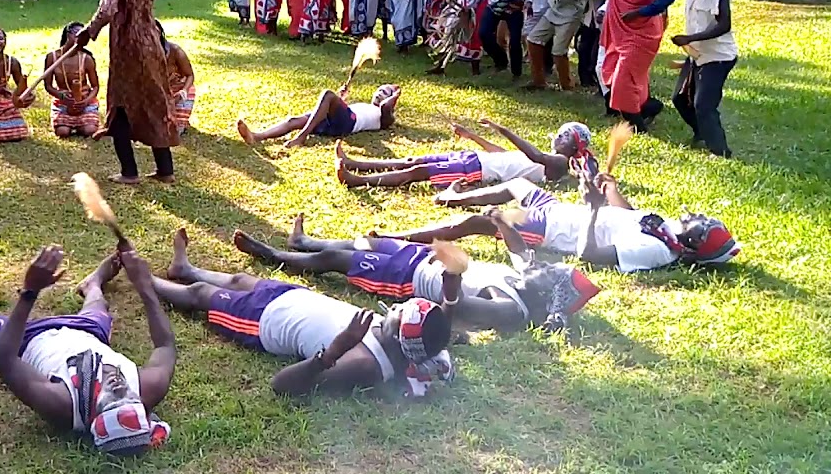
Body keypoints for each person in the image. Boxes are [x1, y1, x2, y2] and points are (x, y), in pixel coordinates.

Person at [0, 241, 175, 455]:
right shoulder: (148, 387)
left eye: (113, 402)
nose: (120, 388)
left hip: (27, 338)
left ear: (94, 417)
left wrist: (30, 292)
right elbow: (165, 345)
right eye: (129, 400)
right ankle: (93, 283)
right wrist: (144, 287)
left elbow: (4, 360)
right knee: (97, 305)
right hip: (87, 331)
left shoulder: (63, 405)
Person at [153, 229, 454, 397]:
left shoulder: (363, 363)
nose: (397, 306)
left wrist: (336, 349)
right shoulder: (416, 343)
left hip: (266, 322)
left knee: (200, 295)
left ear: (400, 336)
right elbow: (439, 335)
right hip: (294, 298)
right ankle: (185, 269)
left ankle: (148, 282)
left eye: (399, 313)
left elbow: (281, 386)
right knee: (239, 279)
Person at [235, 214, 600, 335]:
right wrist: (502, 221)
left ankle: (272, 254)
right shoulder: (524, 279)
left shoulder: (511, 307)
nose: (545, 265)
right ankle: (303, 240)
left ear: (546, 294)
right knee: (365, 243)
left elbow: (457, 310)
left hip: (409, 276)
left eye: (552, 272)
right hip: (424, 256)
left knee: (336, 259)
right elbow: (521, 250)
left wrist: (451, 282)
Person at [396, 173, 740, 273]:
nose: (700, 216)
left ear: (695, 243)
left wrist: (591, 209)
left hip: (553, 228)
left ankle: (399, 237)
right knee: (518, 185)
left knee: (476, 223)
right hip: (561, 210)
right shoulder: (665, 229)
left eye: (704, 223)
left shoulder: (658, 251)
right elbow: (629, 214)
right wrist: (610, 190)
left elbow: (589, 254)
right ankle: (451, 196)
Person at [75, 0, 178, 185]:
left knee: (120, 104)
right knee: (155, 99)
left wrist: (89, 31)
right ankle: (165, 169)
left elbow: (108, 9)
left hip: (127, 48)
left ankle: (129, 171)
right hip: (152, 42)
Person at [336, 119, 593, 191]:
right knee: (414, 161)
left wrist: (504, 129)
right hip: (475, 158)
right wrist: (472, 136)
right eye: (560, 133)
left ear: (574, 148)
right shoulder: (546, 157)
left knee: (418, 173)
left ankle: (357, 180)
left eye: (565, 136)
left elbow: (535, 156)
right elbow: (502, 154)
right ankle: (356, 163)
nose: (559, 137)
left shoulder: (559, 164)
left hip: (477, 171)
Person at [600, 0, 676, 131]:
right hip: (620, 31)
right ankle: (649, 107)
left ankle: (637, 127)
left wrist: (641, 12)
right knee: (612, 73)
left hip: (642, 33)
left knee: (623, 82)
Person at [671, 0, 737, 158]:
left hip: (717, 57)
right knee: (680, 99)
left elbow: (724, 25)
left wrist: (690, 38)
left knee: (704, 105)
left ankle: (720, 151)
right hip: (696, 55)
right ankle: (702, 132)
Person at [237, 84, 400, 149]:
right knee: (294, 120)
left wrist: (396, 94)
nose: (380, 93)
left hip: (347, 125)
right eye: (380, 90)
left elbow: (386, 106)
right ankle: (257, 136)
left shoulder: (385, 117)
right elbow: (336, 109)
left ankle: (301, 137)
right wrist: (341, 98)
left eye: (385, 93)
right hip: (336, 121)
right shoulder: (365, 106)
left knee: (327, 95)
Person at [45, 22, 101, 138]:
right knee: (63, 132)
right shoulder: (52, 57)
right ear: (68, 34)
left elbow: (95, 86)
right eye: (76, 34)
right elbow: (48, 86)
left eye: (83, 36)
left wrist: (85, 102)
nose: (79, 38)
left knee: (89, 131)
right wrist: (61, 96)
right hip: (63, 103)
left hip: (84, 102)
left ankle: (82, 124)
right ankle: (70, 125)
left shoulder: (87, 59)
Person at [161, 25, 195, 135]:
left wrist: (182, 92)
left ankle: (181, 121)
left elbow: (190, 75)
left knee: (174, 131)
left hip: (178, 89)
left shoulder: (176, 51)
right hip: (159, 91)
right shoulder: (144, 53)